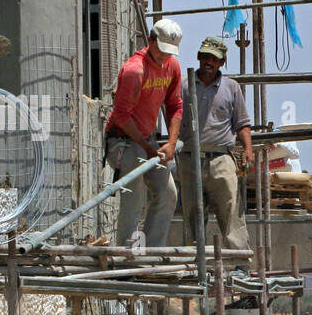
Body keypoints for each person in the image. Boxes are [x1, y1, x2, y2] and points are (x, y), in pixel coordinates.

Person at [104, 18, 183, 248]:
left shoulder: (172, 66)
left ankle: (151, 252)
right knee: (134, 199)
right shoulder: (134, 70)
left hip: (147, 140)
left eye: (169, 52)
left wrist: (171, 142)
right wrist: (148, 148)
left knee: (167, 193)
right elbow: (121, 117)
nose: (163, 57)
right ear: (150, 40)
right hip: (124, 141)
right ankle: (126, 259)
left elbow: (175, 105)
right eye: (160, 50)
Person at [178, 35, 253, 264]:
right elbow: (172, 116)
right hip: (190, 159)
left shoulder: (231, 87)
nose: (208, 61)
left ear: (222, 62)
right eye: (205, 56)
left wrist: (248, 149)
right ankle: (194, 263)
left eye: (214, 58)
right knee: (192, 213)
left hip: (221, 158)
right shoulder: (184, 85)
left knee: (231, 213)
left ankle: (239, 264)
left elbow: (242, 123)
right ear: (199, 57)